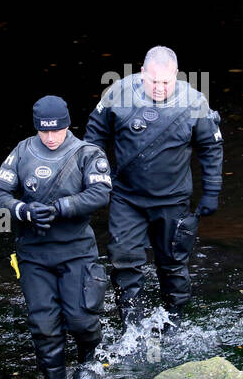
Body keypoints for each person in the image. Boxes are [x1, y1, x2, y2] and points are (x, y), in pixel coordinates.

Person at [85, 46, 223, 326]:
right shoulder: (118, 94)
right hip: (127, 197)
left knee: (172, 263)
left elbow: (210, 146)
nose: (160, 87)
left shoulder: (194, 102)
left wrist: (212, 190)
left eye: (166, 81)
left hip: (173, 200)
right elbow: (94, 136)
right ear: (141, 74)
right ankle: (131, 323)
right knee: (124, 260)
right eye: (154, 81)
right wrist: (97, 176)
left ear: (177, 76)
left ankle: (175, 319)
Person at [0, 96, 113, 379]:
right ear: (36, 129)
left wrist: (62, 207)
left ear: (67, 125)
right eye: (44, 131)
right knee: (43, 324)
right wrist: (23, 210)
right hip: (34, 253)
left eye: (56, 130)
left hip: (77, 251)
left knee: (81, 320)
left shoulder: (86, 153)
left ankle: (87, 364)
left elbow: (101, 193)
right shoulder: (22, 151)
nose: (51, 137)